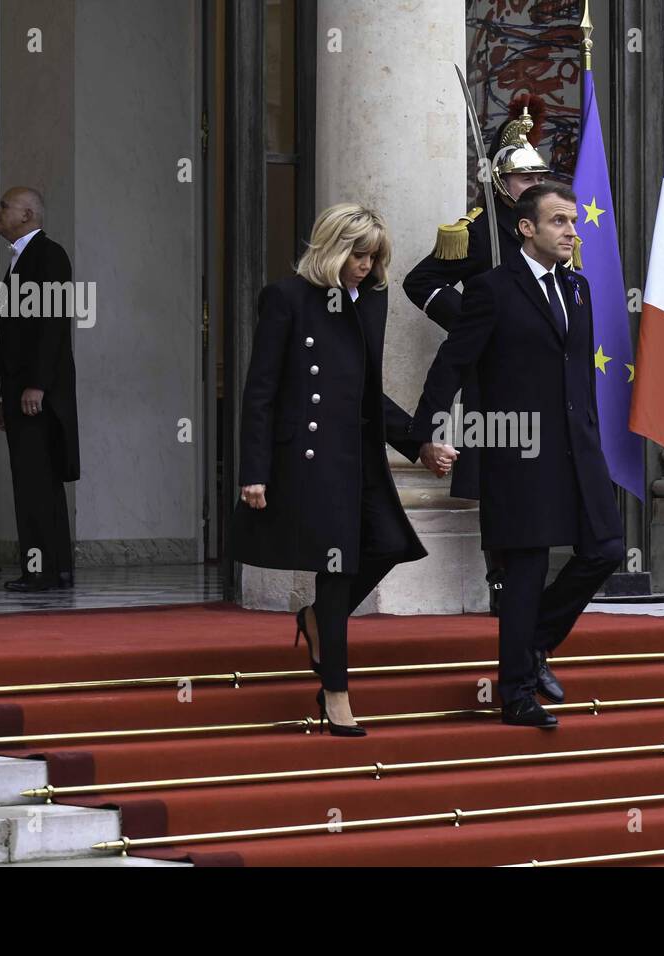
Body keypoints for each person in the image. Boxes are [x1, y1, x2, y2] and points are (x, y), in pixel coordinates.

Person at [230, 203, 454, 736]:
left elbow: (366, 392)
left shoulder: (370, 301)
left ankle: (313, 621)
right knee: (337, 572)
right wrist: (253, 471)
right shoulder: (286, 298)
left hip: (360, 458)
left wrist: (418, 442)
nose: (366, 264)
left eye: (374, 255)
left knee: (389, 544)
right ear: (331, 248)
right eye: (358, 253)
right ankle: (336, 692)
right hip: (309, 462)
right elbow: (260, 390)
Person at [411, 183, 623, 728]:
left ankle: (532, 643)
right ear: (526, 228)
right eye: (559, 222)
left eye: (574, 222)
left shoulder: (578, 289)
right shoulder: (491, 290)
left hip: (579, 448)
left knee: (605, 547)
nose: (572, 232)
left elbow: (577, 373)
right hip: (519, 447)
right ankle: (517, 693)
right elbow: (452, 363)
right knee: (526, 567)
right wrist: (430, 431)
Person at [403, 93, 549, 616]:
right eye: (526, 178)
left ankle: (532, 575)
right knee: (498, 476)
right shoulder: (478, 231)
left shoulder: (545, 232)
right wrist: (471, 322)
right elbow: (419, 281)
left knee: (536, 473)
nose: (535, 185)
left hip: (536, 373)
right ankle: (500, 579)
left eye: (539, 178)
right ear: (501, 181)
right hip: (490, 375)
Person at [0, 186, 80, 592]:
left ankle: (41, 569)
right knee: (37, 481)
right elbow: (14, 338)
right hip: (20, 391)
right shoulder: (19, 259)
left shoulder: (49, 255)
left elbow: (52, 326)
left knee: (35, 483)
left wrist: (36, 386)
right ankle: (55, 568)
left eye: (5, 207)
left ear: (26, 214)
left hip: (37, 394)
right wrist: (3, 394)